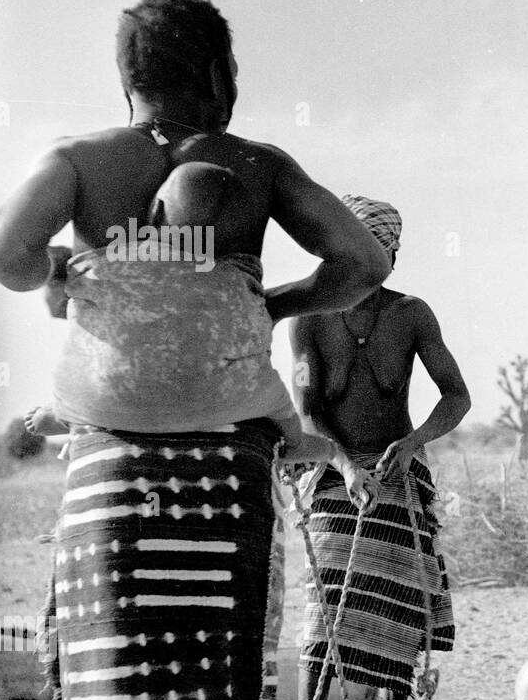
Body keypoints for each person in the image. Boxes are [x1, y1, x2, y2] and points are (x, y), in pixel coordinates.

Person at [0, 0, 391, 700]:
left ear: (127, 76)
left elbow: (5, 252)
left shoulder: (82, 159)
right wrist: (269, 302)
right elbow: (362, 262)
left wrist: (76, 279)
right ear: (220, 72)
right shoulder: (257, 165)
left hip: (117, 477)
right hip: (220, 475)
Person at [291, 195, 471, 700]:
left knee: (395, 613)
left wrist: (415, 441)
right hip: (332, 476)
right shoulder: (308, 320)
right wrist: (343, 463)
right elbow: (307, 409)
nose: (372, 264)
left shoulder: (413, 314)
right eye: (358, 253)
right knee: (326, 619)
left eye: (381, 254)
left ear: (392, 256)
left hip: (399, 477)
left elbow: (456, 396)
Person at [25, 161, 351, 469]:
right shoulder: (235, 278)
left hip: (106, 399)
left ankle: (66, 412)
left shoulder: (119, 262)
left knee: (92, 355)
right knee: (278, 404)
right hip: (231, 399)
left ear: (157, 212)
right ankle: (296, 444)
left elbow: (58, 274)